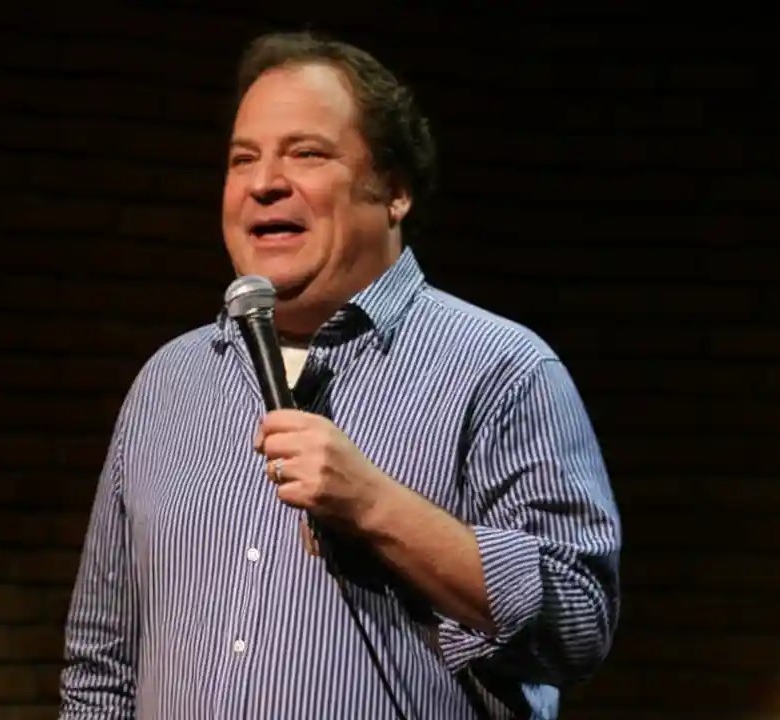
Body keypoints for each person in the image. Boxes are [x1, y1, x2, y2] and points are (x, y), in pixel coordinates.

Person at [58, 30, 621, 720]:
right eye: (243, 160)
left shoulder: (502, 372)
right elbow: (101, 666)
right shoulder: (168, 383)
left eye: (307, 153)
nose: (264, 183)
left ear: (394, 190)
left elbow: (579, 624)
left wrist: (378, 508)